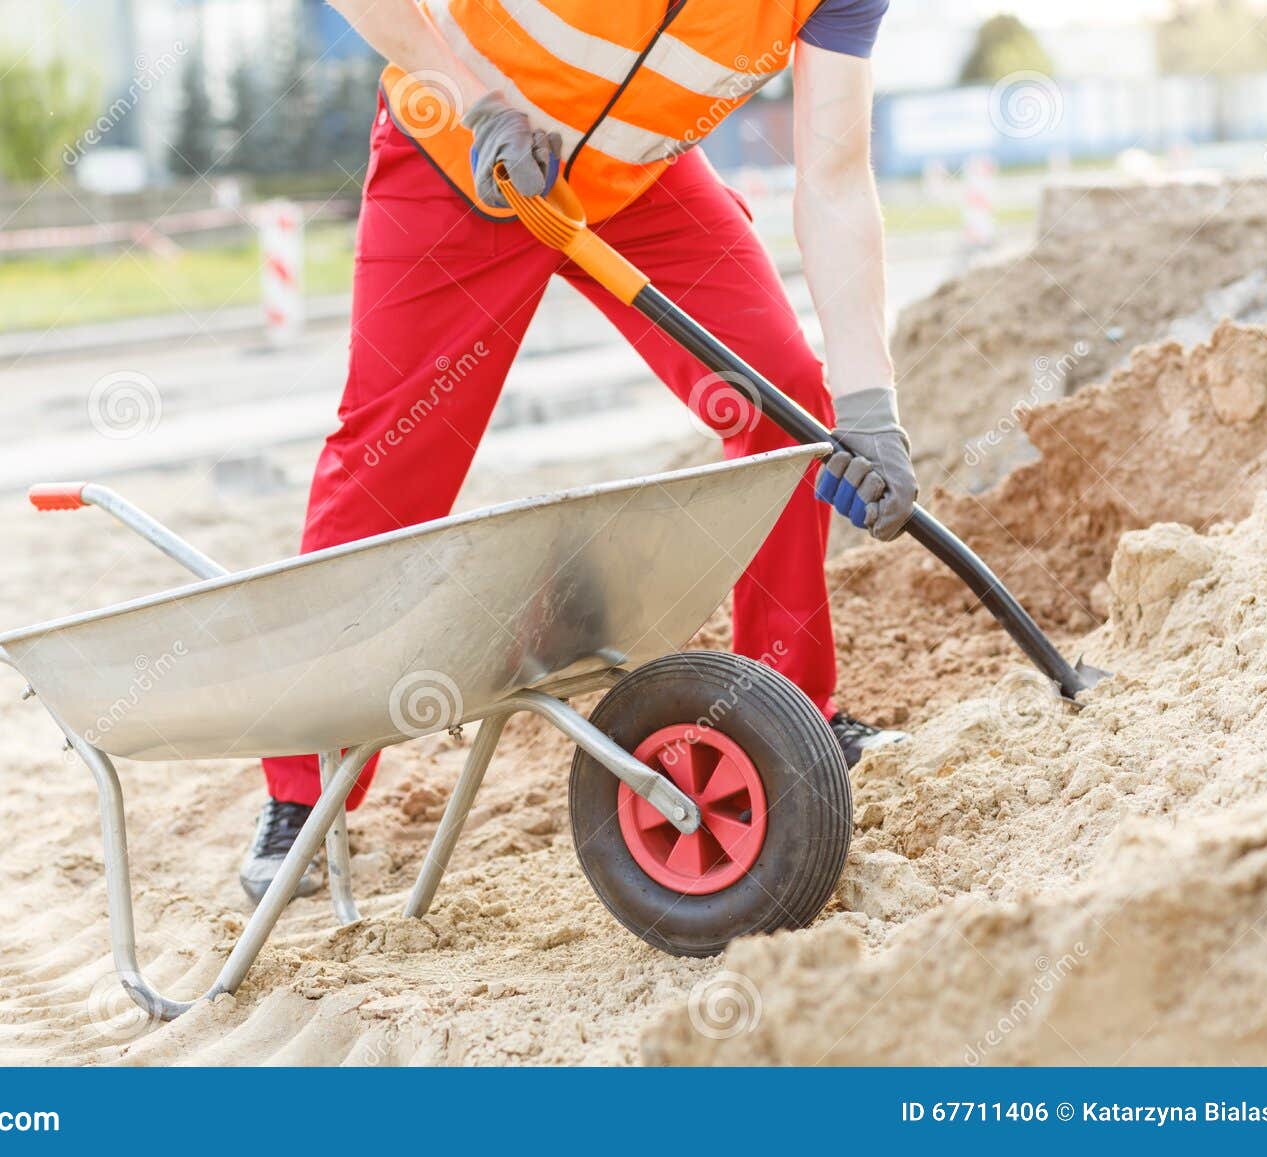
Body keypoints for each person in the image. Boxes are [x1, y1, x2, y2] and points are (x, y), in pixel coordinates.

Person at [240, 0, 917, 904]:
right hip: (460, 161)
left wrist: (870, 405)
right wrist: (479, 102)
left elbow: (834, 176)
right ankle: (303, 790)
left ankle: (788, 710)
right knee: (389, 464)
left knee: (783, 405)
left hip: (635, 187)